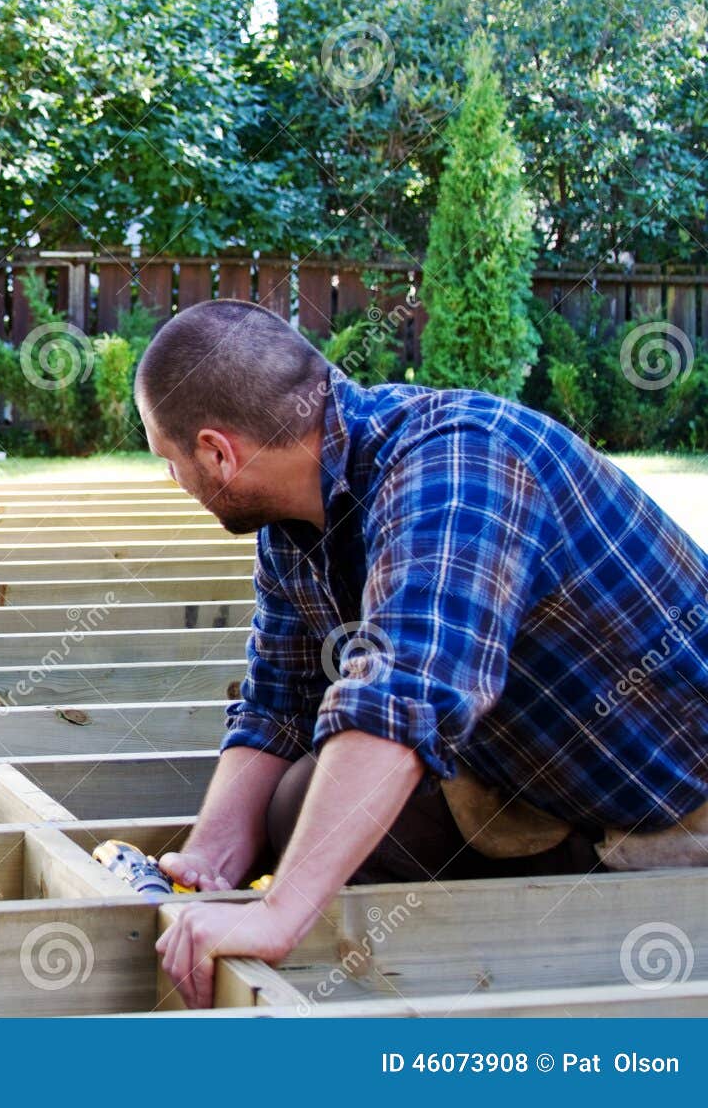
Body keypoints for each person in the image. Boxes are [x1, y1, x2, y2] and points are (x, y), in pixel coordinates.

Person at [135, 299, 708, 1009]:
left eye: (170, 461)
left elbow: (398, 691)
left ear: (218, 453)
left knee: (329, 842)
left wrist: (283, 910)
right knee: (295, 804)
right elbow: (277, 705)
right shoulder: (293, 523)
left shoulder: (457, 464)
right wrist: (208, 860)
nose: (174, 481)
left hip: (669, 795)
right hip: (532, 766)